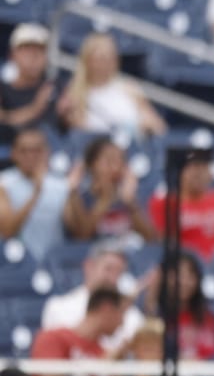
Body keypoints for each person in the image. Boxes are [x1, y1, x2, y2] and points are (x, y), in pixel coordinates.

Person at [59, 32, 167, 140]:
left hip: (130, 148)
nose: (105, 63)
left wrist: (136, 127)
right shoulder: (75, 91)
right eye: (100, 58)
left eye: (109, 57)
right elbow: (76, 128)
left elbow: (158, 126)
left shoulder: (129, 88)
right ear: (87, 60)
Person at [40, 241, 145, 352]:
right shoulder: (58, 307)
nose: (113, 279)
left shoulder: (133, 316)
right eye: (108, 269)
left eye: (119, 272)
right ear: (89, 266)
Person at [148, 149, 214, 260]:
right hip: (180, 264)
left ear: (210, 173)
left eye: (203, 167)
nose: (197, 173)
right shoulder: (165, 202)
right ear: (179, 172)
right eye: (191, 167)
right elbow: (159, 240)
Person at [62, 136, 158, 245]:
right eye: (109, 160)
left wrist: (131, 204)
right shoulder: (79, 198)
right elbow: (83, 236)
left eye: (121, 160)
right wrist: (105, 200)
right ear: (92, 165)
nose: (116, 167)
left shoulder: (129, 198)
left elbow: (151, 240)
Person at [0, 128, 69, 257]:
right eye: (24, 151)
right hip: (14, 260)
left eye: (37, 150)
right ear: (13, 153)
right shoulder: (3, 183)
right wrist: (36, 193)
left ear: (47, 152)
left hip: (54, 260)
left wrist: (73, 192)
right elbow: (7, 232)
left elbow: (81, 233)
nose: (31, 156)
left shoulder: (62, 184)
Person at [142, 252, 214, 360]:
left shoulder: (210, 316)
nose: (183, 282)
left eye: (190, 275)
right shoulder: (156, 316)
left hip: (208, 374)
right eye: (178, 275)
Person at [0, 23, 60, 145]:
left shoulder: (57, 87)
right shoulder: (3, 89)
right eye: (27, 50)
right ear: (12, 55)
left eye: (40, 50)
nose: (34, 56)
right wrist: (35, 109)